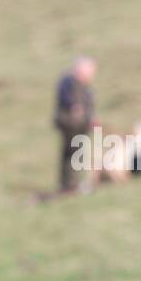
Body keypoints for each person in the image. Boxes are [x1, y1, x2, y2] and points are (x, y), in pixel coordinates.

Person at [53, 56, 96, 192]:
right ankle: (70, 185)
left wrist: (90, 119)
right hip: (70, 125)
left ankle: (71, 184)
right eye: (90, 73)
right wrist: (74, 106)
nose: (91, 76)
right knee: (73, 154)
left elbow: (87, 106)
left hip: (79, 126)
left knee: (75, 154)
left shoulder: (82, 86)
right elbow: (72, 102)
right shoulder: (68, 82)